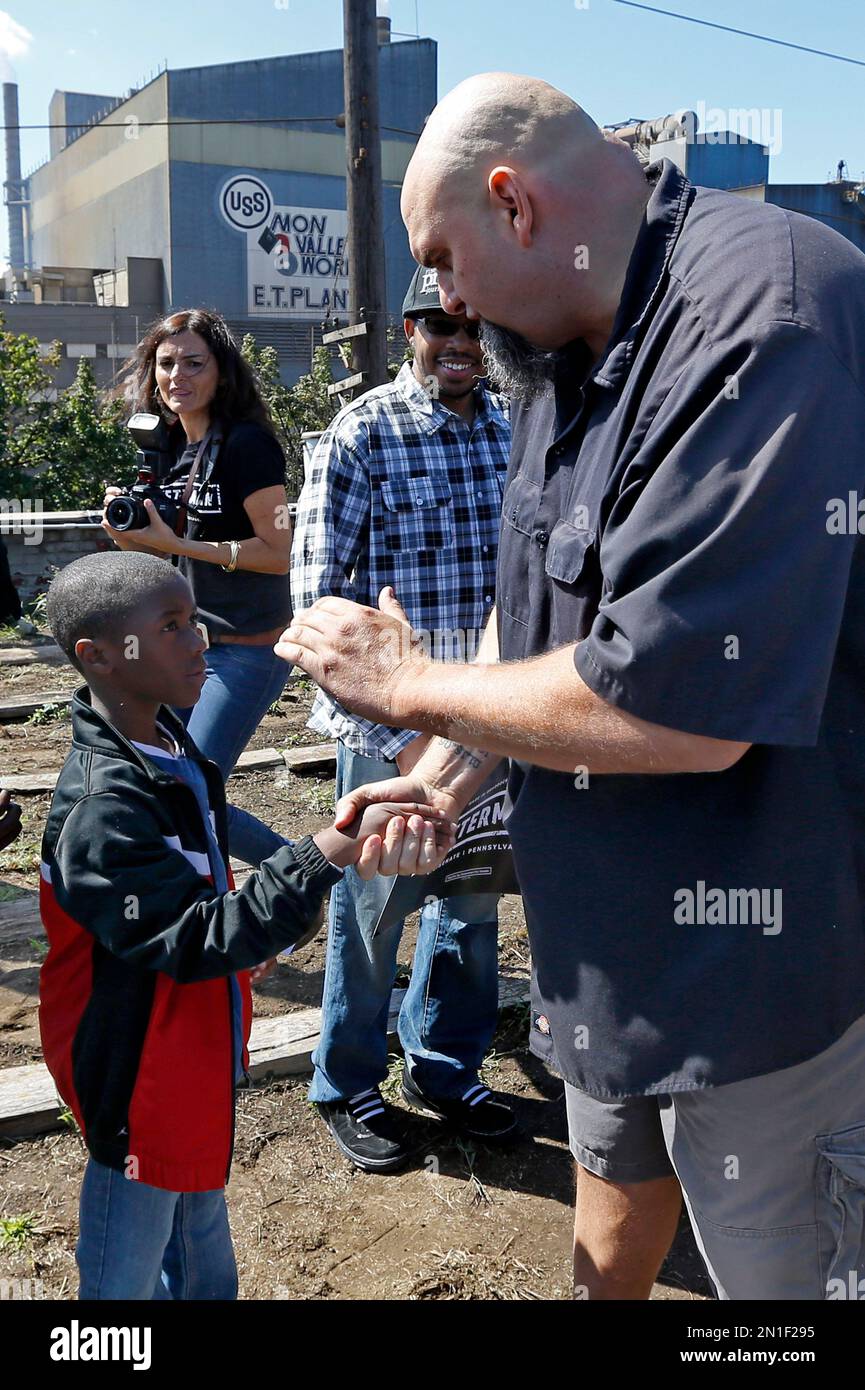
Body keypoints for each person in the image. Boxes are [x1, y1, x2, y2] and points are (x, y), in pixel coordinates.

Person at [277, 73, 865, 1301]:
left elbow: (678, 709)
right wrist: (438, 778)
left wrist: (412, 684)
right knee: (615, 1196)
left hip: (759, 971)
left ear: (516, 203)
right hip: (607, 945)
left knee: (776, 1278)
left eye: (442, 258)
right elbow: (541, 602)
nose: (442, 298)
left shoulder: (765, 319)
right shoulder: (552, 343)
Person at [39, 551, 454, 1300]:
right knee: (125, 1261)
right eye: (170, 627)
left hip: (191, 1043)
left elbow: (198, 907)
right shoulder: (101, 808)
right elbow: (193, 940)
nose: (200, 639)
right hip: (137, 1070)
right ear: (96, 657)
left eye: (194, 619)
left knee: (197, 1218)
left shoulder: (167, 743)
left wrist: (238, 932)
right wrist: (329, 848)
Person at [290, 265, 514, 1172]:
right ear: (409, 331)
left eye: (473, 325)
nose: (457, 342)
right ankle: (348, 1083)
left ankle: (444, 1065)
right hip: (388, 735)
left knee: (470, 911)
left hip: (488, 729)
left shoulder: (512, 428)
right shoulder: (363, 432)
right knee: (372, 917)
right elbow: (317, 599)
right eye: (437, 324)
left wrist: (484, 730)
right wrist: (400, 734)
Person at [103, 308, 293, 866]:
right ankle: (205, 902)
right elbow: (160, 554)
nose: (177, 375)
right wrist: (126, 531)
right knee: (162, 778)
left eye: (193, 362)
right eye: (165, 363)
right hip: (189, 646)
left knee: (195, 789)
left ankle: (301, 883)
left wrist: (182, 545)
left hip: (250, 652)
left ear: (222, 372)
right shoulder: (167, 450)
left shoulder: (247, 445)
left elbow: (277, 553)